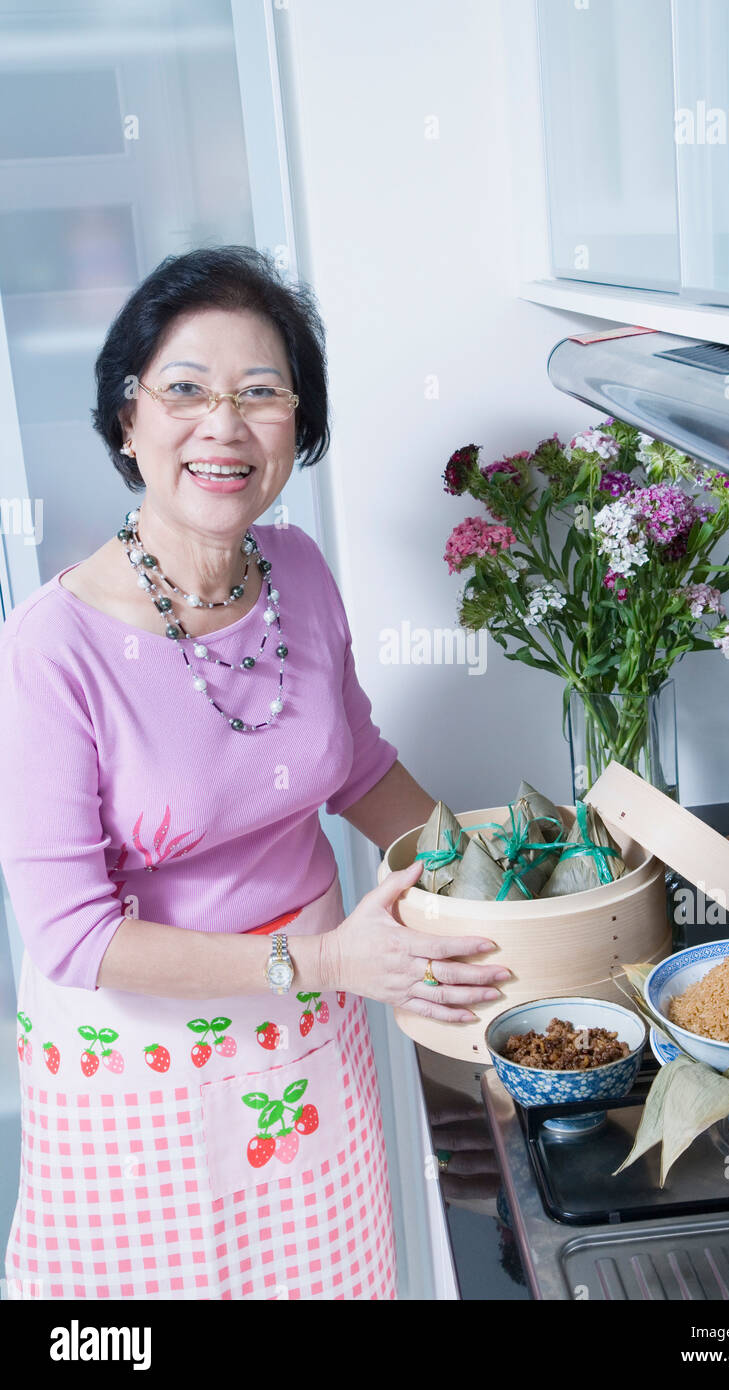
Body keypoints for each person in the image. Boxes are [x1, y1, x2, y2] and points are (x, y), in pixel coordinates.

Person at [0, 245, 510, 1300]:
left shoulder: (301, 573)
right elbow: (71, 934)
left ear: (297, 427)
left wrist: (502, 889)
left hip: (310, 1051)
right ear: (125, 418)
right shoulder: (48, 650)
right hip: (141, 1083)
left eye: (261, 392)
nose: (222, 425)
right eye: (183, 389)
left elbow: (355, 768)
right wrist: (322, 959)